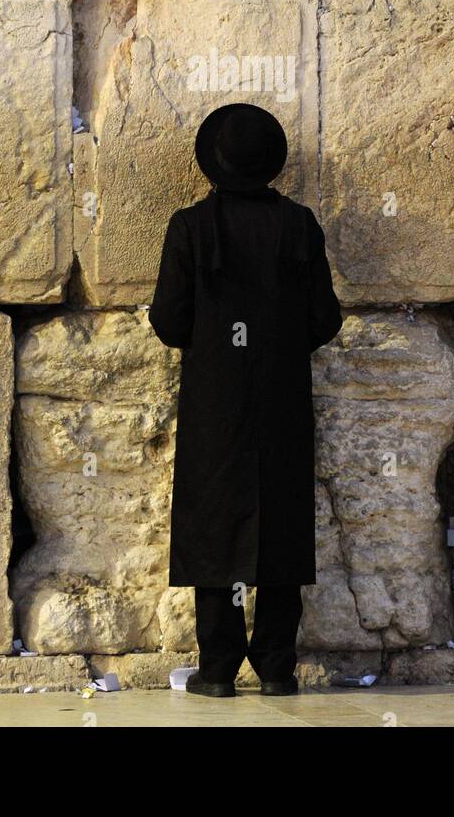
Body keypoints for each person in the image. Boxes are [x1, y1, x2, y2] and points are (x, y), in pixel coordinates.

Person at [149, 102, 343, 697]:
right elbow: (325, 318)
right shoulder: (299, 226)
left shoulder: (190, 227)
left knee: (215, 524)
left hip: (215, 401)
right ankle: (278, 668)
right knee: (281, 521)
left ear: (214, 163)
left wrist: (214, 342)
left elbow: (168, 320)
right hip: (282, 397)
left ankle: (217, 670)